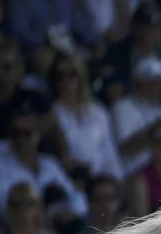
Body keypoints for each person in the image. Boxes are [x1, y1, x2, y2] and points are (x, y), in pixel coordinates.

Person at [47, 51, 124, 181]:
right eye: (60, 75)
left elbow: (109, 153)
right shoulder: (52, 113)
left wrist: (116, 180)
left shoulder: (98, 111)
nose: (65, 80)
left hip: (102, 180)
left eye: (71, 74)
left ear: (81, 77)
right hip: (70, 179)